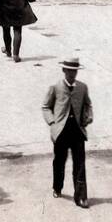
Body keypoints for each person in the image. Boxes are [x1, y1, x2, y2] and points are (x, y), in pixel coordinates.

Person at [41, 57, 91, 207]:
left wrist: (88, 117)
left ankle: (81, 196)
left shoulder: (82, 87)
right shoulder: (55, 87)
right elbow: (46, 106)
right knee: (59, 161)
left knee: (80, 163)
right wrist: (52, 122)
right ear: (63, 70)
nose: (72, 74)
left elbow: (88, 105)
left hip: (77, 131)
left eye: (74, 71)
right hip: (61, 131)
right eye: (69, 70)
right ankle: (57, 186)